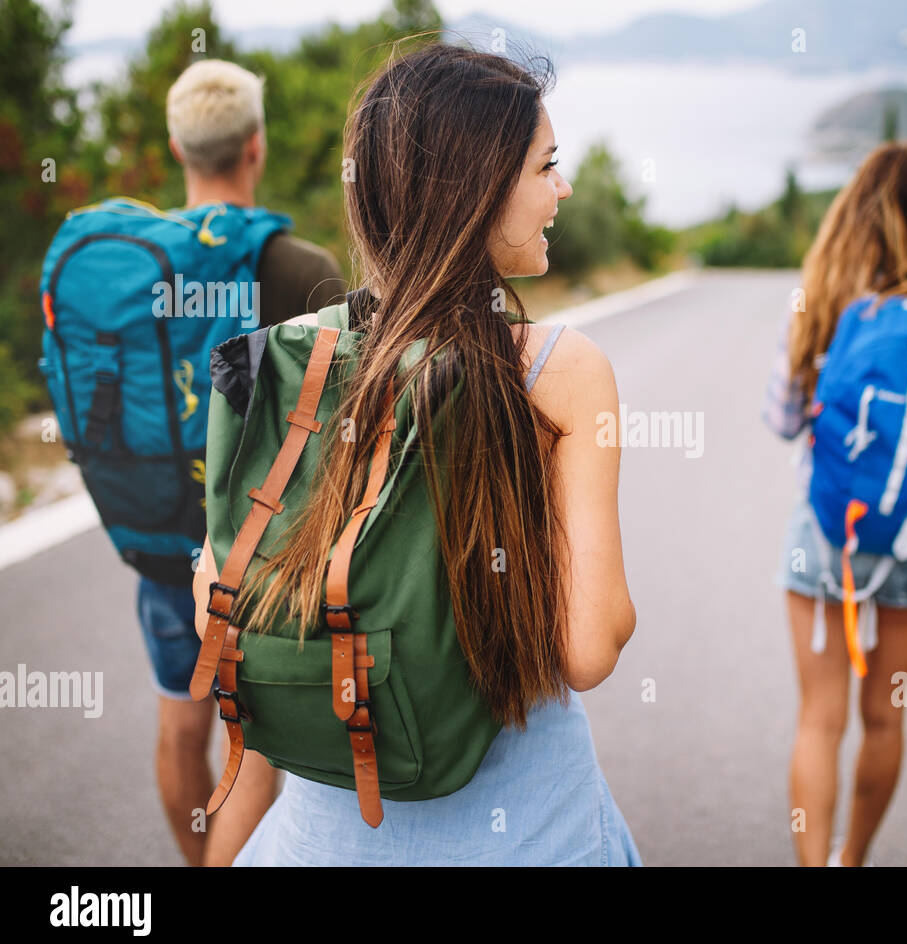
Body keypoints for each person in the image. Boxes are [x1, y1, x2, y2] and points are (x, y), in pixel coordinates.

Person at [192, 41, 641, 866]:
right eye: (546, 167)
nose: (563, 189)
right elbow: (587, 650)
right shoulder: (557, 369)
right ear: (478, 191)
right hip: (528, 836)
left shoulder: (284, 358)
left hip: (319, 841)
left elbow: (212, 613)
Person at [762, 142, 907, 867]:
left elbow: (783, 419)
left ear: (853, 213)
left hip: (825, 533)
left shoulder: (823, 303)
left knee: (819, 720)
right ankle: (852, 858)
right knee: (885, 717)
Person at [143, 59, 343, 866]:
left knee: (178, 730)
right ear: (255, 146)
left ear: (175, 146)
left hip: (159, 543)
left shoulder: (139, 270)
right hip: (262, 556)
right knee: (251, 752)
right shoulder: (302, 266)